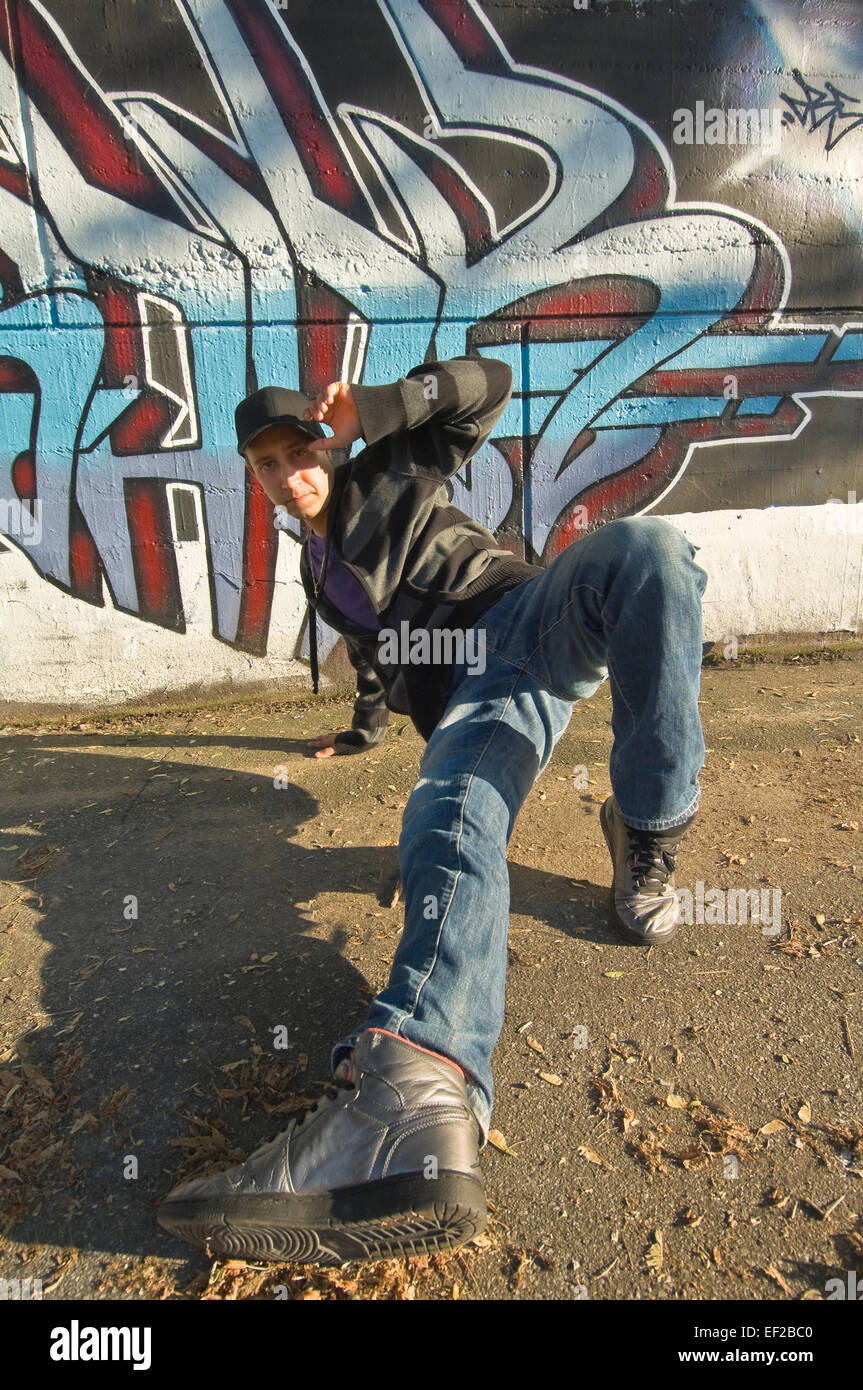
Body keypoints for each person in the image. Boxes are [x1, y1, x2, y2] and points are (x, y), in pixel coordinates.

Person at [158, 356, 707, 1267]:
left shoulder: (391, 466)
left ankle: (647, 830)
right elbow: (375, 658)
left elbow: (486, 384)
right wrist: (363, 731)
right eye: (268, 463)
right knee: (445, 818)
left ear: (326, 450)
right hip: (473, 701)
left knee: (649, 556)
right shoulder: (318, 570)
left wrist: (381, 408)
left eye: (302, 451)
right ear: (251, 477)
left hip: (528, 613)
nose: (291, 474)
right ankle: (416, 1092)